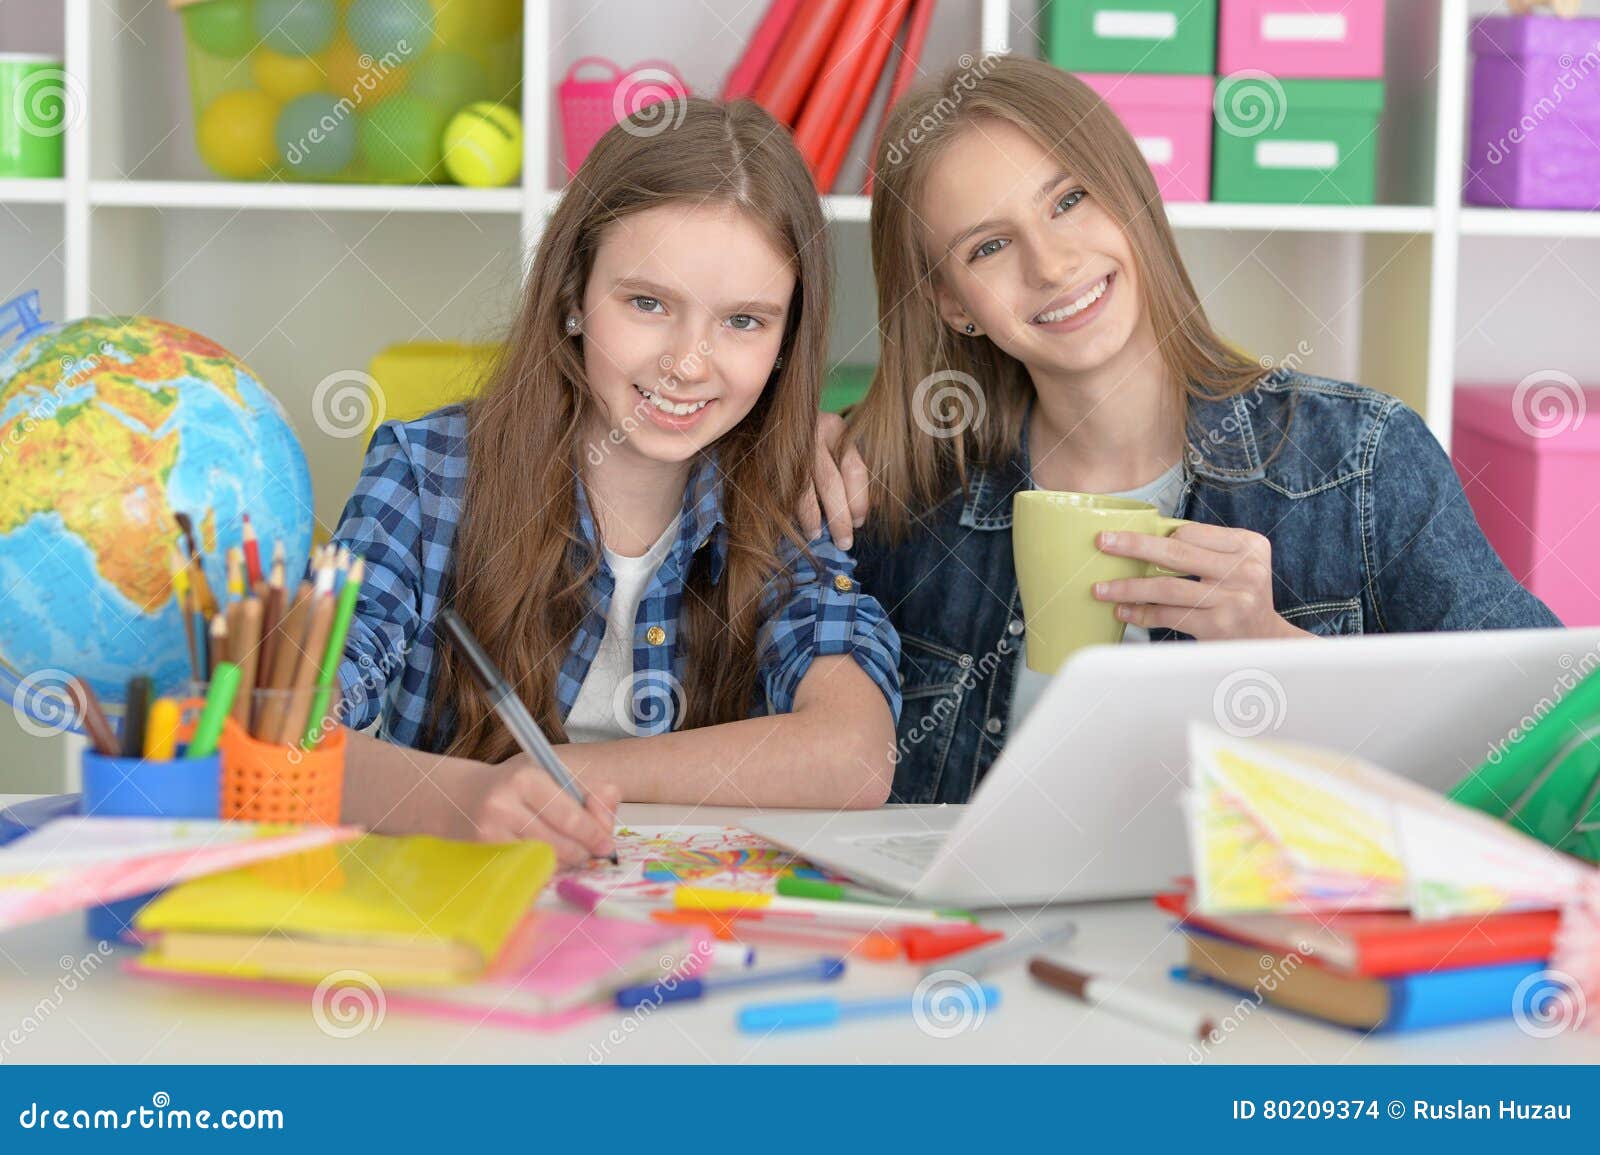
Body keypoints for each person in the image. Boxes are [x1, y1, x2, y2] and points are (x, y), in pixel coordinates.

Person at [805, 56, 1559, 805]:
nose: (1052, 263)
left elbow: (1554, 740)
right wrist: (781, 451)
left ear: (1132, 197)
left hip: (1254, 927)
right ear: (950, 302)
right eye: (989, 247)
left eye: (1070, 200)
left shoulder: (1361, 460)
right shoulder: (896, 500)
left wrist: (1274, 648)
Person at [327, 99, 902, 860]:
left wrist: (563, 771)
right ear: (572, 295)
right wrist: (466, 798)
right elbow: (282, 729)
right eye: (647, 302)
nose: (689, 361)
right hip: (458, 927)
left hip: (684, 942)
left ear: (787, 338)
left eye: (744, 321)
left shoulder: (786, 496)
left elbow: (854, 754)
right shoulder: (428, 474)